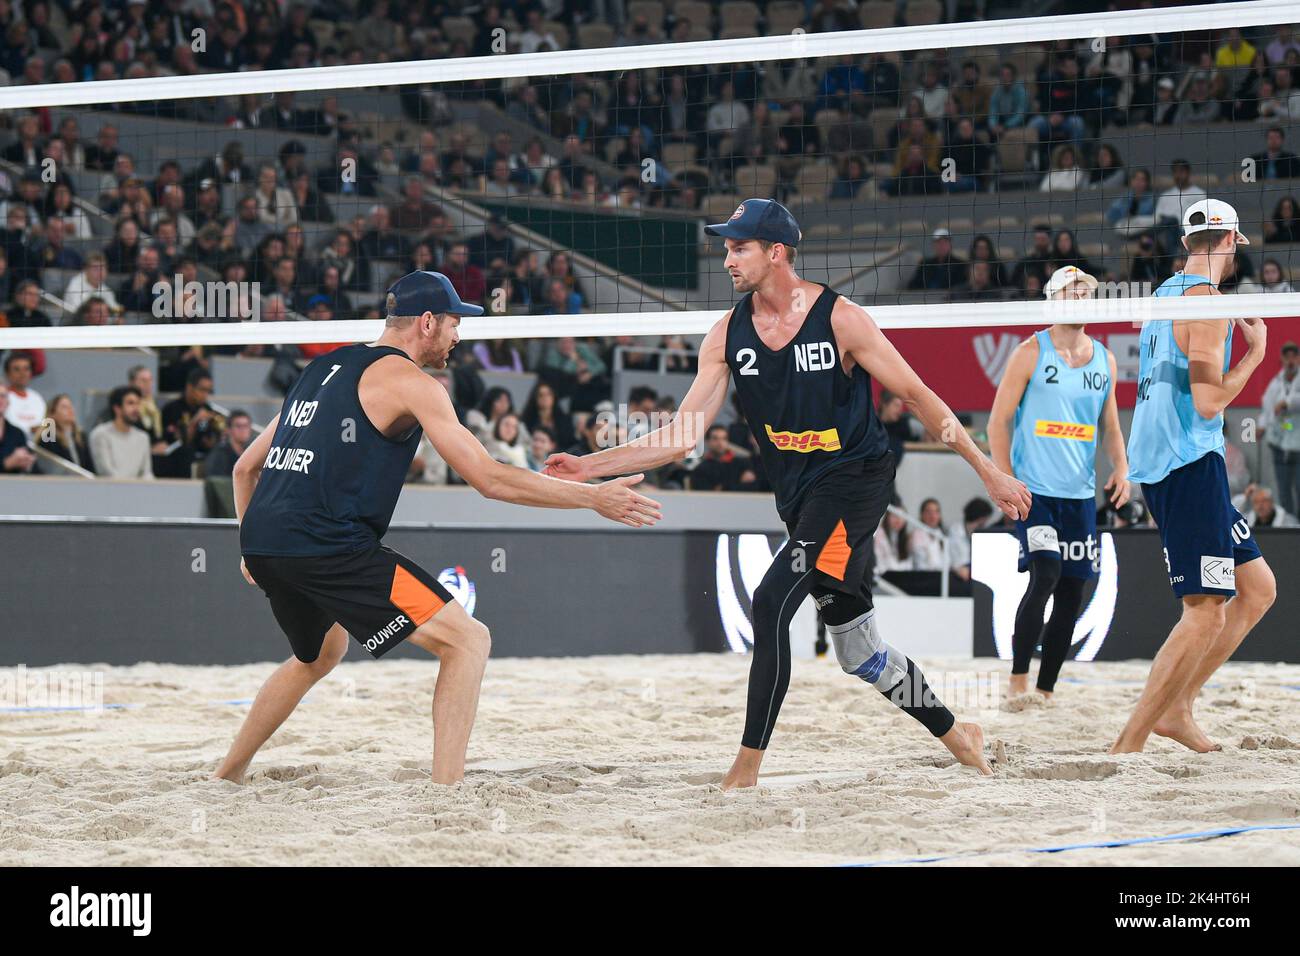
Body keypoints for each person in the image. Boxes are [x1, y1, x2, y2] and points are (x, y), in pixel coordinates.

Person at [544, 199, 1031, 788]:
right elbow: (681, 436)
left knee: (772, 600)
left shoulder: (842, 319)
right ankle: (959, 734)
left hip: (855, 481)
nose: (726, 259)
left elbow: (919, 396)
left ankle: (745, 769)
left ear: (776, 252)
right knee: (859, 651)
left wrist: (986, 470)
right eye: (725, 247)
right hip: (800, 495)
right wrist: (586, 468)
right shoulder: (727, 335)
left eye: (738, 247)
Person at [217, 271, 660, 786]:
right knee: (468, 641)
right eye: (453, 324)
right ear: (426, 322)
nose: (458, 337)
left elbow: (244, 468)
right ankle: (446, 791)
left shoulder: (321, 367)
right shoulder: (413, 384)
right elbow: (490, 479)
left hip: (268, 541)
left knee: (317, 655)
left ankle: (226, 775)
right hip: (328, 546)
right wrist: (593, 498)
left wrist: (250, 547)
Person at [1116, 199, 1277, 754]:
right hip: (1185, 462)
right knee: (1206, 611)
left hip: (1172, 457)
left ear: (1188, 243)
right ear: (1230, 239)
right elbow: (1209, 403)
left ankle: (1179, 708)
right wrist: (1256, 356)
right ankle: (1130, 742)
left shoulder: (1165, 293)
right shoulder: (1206, 303)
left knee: (1257, 590)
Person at [987, 265, 1130, 700]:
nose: (1080, 299)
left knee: (1072, 590)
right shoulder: (1030, 352)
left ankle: (1045, 691)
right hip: (1035, 492)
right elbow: (998, 421)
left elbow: (1109, 425)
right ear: (1053, 301)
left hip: (1080, 495)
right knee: (1045, 574)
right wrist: (1003, 480)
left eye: (1086, 293)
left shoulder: (1104, 357)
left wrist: (1121, 469)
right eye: (1071, 292)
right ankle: (1017, 680)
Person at [1260, 340, 1299, 517]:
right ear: (1282, 359)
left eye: (1294, 356)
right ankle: (1289, 526)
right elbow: (1267, 408)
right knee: (1283, 489)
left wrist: (1287, 402)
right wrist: (1260, 426)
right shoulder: (1275, 383)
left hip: (1298, 445)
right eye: (1287, 357)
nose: (1290, 360)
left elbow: (1291, 401)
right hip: (1280, 444)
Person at [89, 385, 153, 479]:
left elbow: (146, 473)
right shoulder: (100, 434)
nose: (136, 408)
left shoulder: (143, 437)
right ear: (117, 409)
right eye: (131, 403)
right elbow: (106, 472)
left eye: (138, 403)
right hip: (109, 491)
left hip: (138, 491)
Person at [37, 393, 95, 473]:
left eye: (70, 406)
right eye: (64, 407)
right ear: (52, 414)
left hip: (84, 483)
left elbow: (90, 467)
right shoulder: (48, 438)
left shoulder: (81, 436)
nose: (70, 410)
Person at [0, 383, 36, 474]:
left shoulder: (17, 433)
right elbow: (8, 463)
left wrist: (28, 462)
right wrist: (6, 464)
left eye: (3, 396)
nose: (0, 400)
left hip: (14, 486)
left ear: (8, 402)